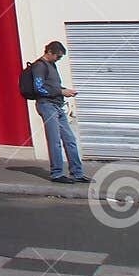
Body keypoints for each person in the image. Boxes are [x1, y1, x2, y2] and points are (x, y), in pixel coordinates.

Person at [28, 40, 88, 183]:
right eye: (58, 56)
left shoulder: (51, 65)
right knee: (55, 141)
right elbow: (39, 88)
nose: (59, 59)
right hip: (47, 105)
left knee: (70, 140)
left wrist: (65, 91)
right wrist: (61, 91)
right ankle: (57, 173)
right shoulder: (39, 66)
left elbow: (52, 86)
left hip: (57, 105)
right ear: (49, 52)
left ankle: (77, 173)